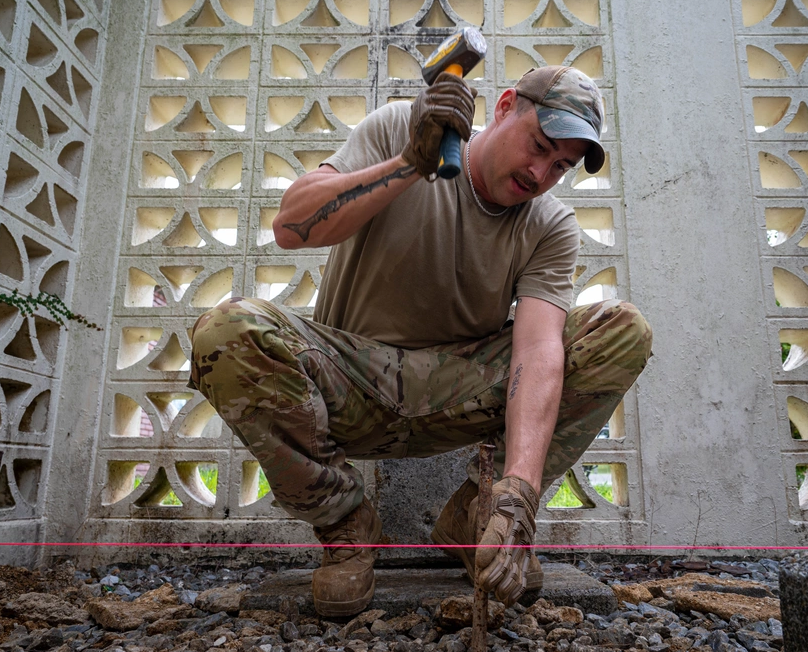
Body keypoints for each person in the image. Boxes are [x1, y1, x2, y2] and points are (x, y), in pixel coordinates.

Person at [189, 65, 652, 617]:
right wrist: (410, 163)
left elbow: (537, 351)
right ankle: (347, 528)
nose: (540, 172)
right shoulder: (400, 130)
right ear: (505, 107)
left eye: (561, 166)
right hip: (350, 383)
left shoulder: (549, 225)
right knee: (227, 328)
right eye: (540, 145)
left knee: (623, 330)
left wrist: (517, 494)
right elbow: (292, 227)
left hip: (458, 390)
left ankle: (479, 515)